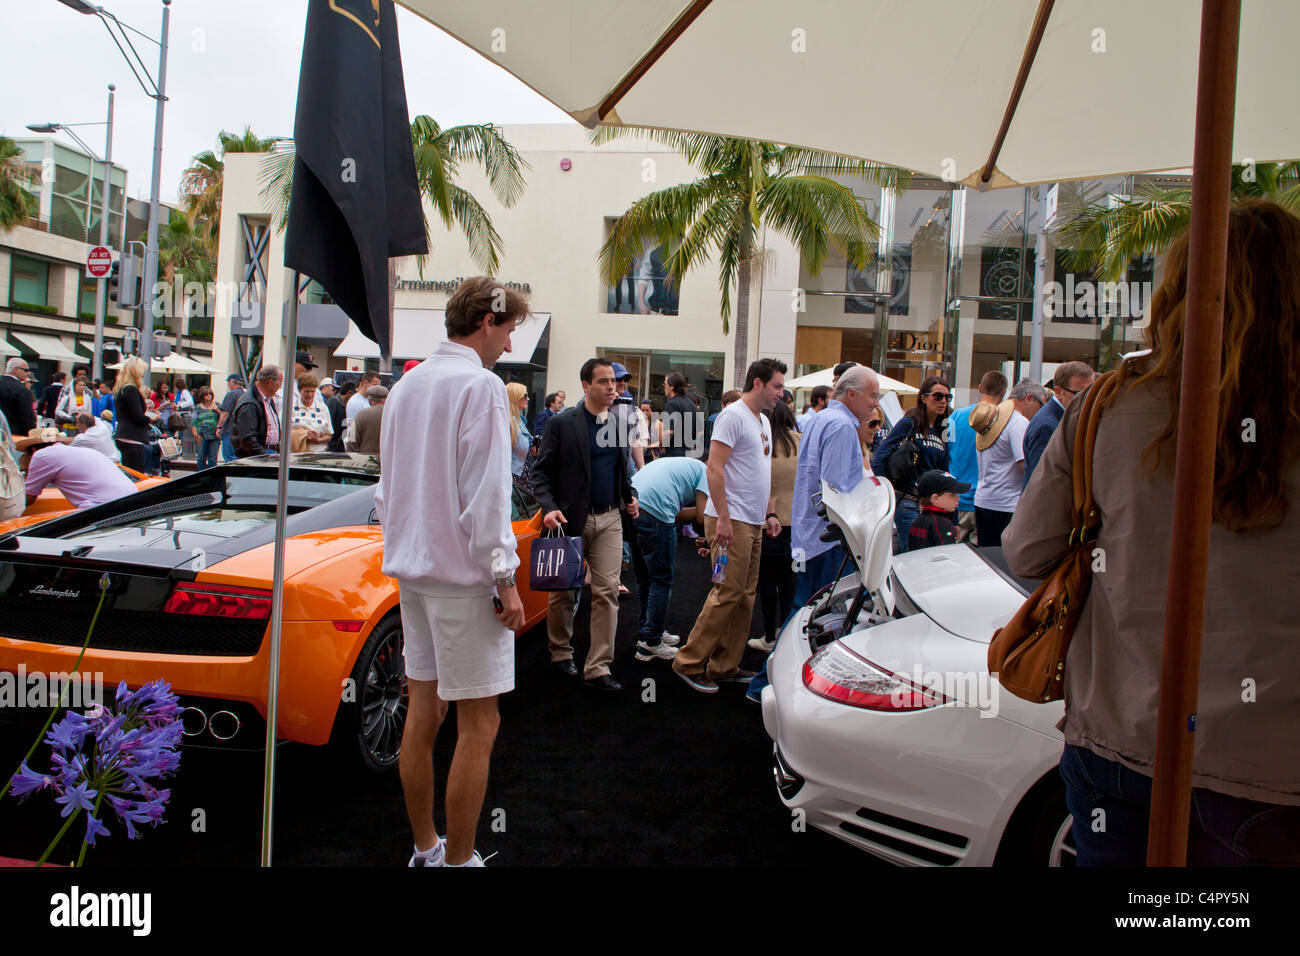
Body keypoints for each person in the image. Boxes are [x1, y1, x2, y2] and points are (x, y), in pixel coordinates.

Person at [1004, 200, 1300, 866]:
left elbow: (1027, 550)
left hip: (1125, 744)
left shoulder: (1109, 406)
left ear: (1178, 286)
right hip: (1274, 771)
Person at [373, 275, 528, 868]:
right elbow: (486, 497)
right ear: (487, 322)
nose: (510, 344)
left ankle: (426, 850)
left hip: (413, 573)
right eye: (509, 328)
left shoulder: (407, 385)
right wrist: (505, 578)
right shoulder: (481, 387)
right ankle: (459, 861)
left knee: (424, 712)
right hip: (463, 580)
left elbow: (388, 490)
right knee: (479, 724)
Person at [671, 358, 785, 694]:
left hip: (751, 520)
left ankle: (724, 666)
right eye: (777, 386)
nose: (781, 392)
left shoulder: (763, 420)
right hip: (731, 519)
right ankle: (689, 661)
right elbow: (714, 469)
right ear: (758, 383)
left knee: (744, 597)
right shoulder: (732, 416)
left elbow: (761, 473)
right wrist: (721, 517)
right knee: (727, 593)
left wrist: (770, 513)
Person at [532, 357, 639, 692]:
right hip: (569, 519)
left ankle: (598, 667)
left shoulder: (620, 424)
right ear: (585, 386)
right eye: (604, 381)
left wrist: (629, 495)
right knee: (563, 592)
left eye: (614, 382)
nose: (612, 387)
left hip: (610, 518)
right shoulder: (563, 423)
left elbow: (620, 468)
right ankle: (560, 653)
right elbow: (540, 472)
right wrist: (548, 507)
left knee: (607, 592)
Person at [629, 455, 708, 661]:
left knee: (644, 577)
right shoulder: (707, 472)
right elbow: (701, 516)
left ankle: (649, 630)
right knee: (661, 579)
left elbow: (677, 514)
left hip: (633, 507)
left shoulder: (685, 465)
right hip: (656, 510)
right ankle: (651, 642)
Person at [872, 375, 953, 553]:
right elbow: (880, 457)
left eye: (947, 398)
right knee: (914, 554)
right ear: (924, 397)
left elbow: (943, 470)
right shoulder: (910, 423)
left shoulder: (943, 429)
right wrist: (886, 490)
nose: (943, 402)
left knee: (927, 555)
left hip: (931, 505)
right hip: (908, 501)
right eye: (938, 396)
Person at [749, 400, 800, 654]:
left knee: (768, 580)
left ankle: (769, 634)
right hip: (796, 521)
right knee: (790, 579)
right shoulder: (800, 441)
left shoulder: (763, 444)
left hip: (769, 518)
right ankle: (787, 631)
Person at [947, 371, 1008, 536]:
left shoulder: (956, 416)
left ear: (980, 388)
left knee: (954, 554)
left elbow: (946, 451)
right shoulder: (1004, 421)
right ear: (1003, 391)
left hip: (956, 499)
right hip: (988, 502)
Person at [1022, 361, 1096, 487]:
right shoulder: (1047, 425)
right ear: (1058, 392)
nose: (1088, 399)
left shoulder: (1062, 417)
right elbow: (1041, 478)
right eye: (1081, 394)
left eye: (1092, 393)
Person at [969, 396, 1030, 548]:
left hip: (984, 499)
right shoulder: (1017, 423)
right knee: (1004, 557)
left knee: (987, 555)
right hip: (1007, 503)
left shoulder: (985, 429)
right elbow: (1024, 465)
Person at [24, 439, 136, 509]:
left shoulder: (41, 455)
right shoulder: (80, 451)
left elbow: (28, 499)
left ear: (33, 450)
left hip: (101, 507)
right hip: (133, 499)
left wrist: (25, 467)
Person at [112, 357, 156, 472]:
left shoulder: (121, 389)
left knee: (129, 473)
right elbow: (137, 416)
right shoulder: (131, 389)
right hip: (132, 436)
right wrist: (151, 419)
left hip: (123, 434)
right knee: (137, 474)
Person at [230, 365, 284, 458]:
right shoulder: (250, 404)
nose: (280, 387)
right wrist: (264, 456)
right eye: (280, 383)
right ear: (270, 382)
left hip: (267, 453)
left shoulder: (267, 400)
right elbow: (247, 439)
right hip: (258, 456)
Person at [907, 470, 967, 550]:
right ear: (935, 498)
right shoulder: (943, 524)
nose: (958, 498)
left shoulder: (918, 520)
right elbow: (947, 554)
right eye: (953, 494)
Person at [660, 371, 699, 457]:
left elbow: (669, 432)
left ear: (672, 387)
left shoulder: (671, 405)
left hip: (672, 454)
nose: (664, 387)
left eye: (665, 384)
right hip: (688, 454)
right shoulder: (692, 405)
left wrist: (661, 445)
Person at [292, 373, 333, 453]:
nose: (310, 395)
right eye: (306, 391)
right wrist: (303, 435)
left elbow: (329, 434)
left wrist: (318, 440)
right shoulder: (291, 408)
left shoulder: (323, 408)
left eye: (312, 391)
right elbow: (283, 432)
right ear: (300, 390)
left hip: (318, 453)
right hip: (296, 453)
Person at [1, 358, 37, 437]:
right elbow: (27, 418)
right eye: (26, 370)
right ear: (15, 370)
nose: (28, 373)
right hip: (14, 436)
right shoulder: (21, 390)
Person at [347, 385, 387, 457]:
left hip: (366, 462)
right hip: (387, 462)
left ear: (369, 400)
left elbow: (352, 441)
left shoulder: (362, 414)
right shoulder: (393, 414)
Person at [505, 382, 533, 476]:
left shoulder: (519, 421)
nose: (528, 399)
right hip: (514, 478)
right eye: (525, 395)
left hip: (522, 475)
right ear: (515, 397)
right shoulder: (508, 422)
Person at [217, 374, 245, 463]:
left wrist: (219, 427)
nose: (228, 384)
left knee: (229, 458)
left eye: (228, 382)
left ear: (232, 381)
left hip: (230, 430)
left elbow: (225, 413)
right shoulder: (246, 393)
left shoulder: (232, 394)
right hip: (242, 431)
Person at [191, 387, 221, 470]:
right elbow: (193, 421)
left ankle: (212, 477)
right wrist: (195, 434)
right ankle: (201, 476)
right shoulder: (197, 408)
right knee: (201, 457)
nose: (209, 396)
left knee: (213, 458)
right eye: (206, 394)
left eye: (210, 394)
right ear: (202, 396)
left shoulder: (217, 405)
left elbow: (223, 416)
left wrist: (216, 409)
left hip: (214, 435)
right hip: (201, 435)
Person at [321, 377, 347, 453]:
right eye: (333, 389)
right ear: (325, 387)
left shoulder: (329, 400)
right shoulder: (327, 401)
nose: (335, 392)